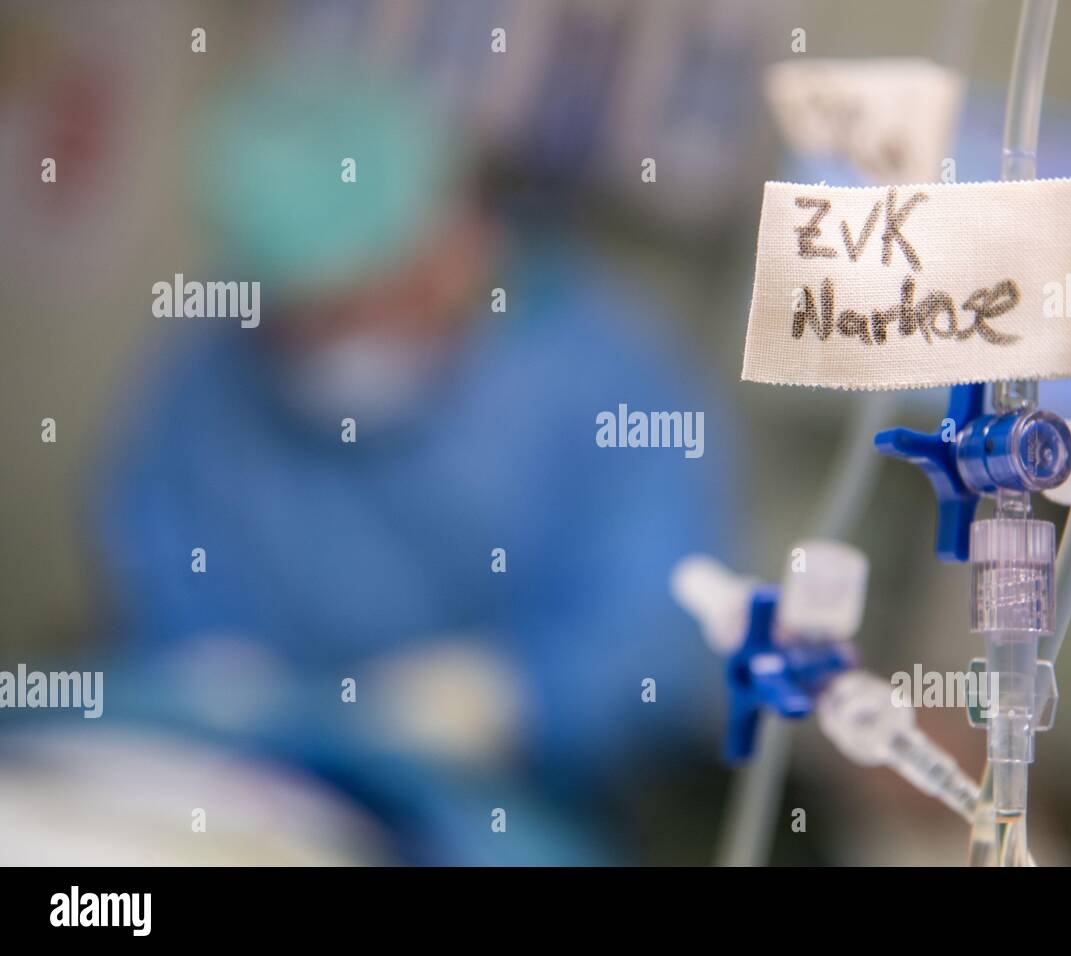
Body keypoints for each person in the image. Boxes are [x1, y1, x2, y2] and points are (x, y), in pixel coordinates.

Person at [92, 63, 737, 864]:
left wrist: (502, 699)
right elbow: (162, 544)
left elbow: (655, 635)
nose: (333, 342)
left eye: (366, 300)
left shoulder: (609, 380)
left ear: (459, 240)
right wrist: (214, 681)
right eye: (304, 317)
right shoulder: (214, 363)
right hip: (232, 788)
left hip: (512, 812)